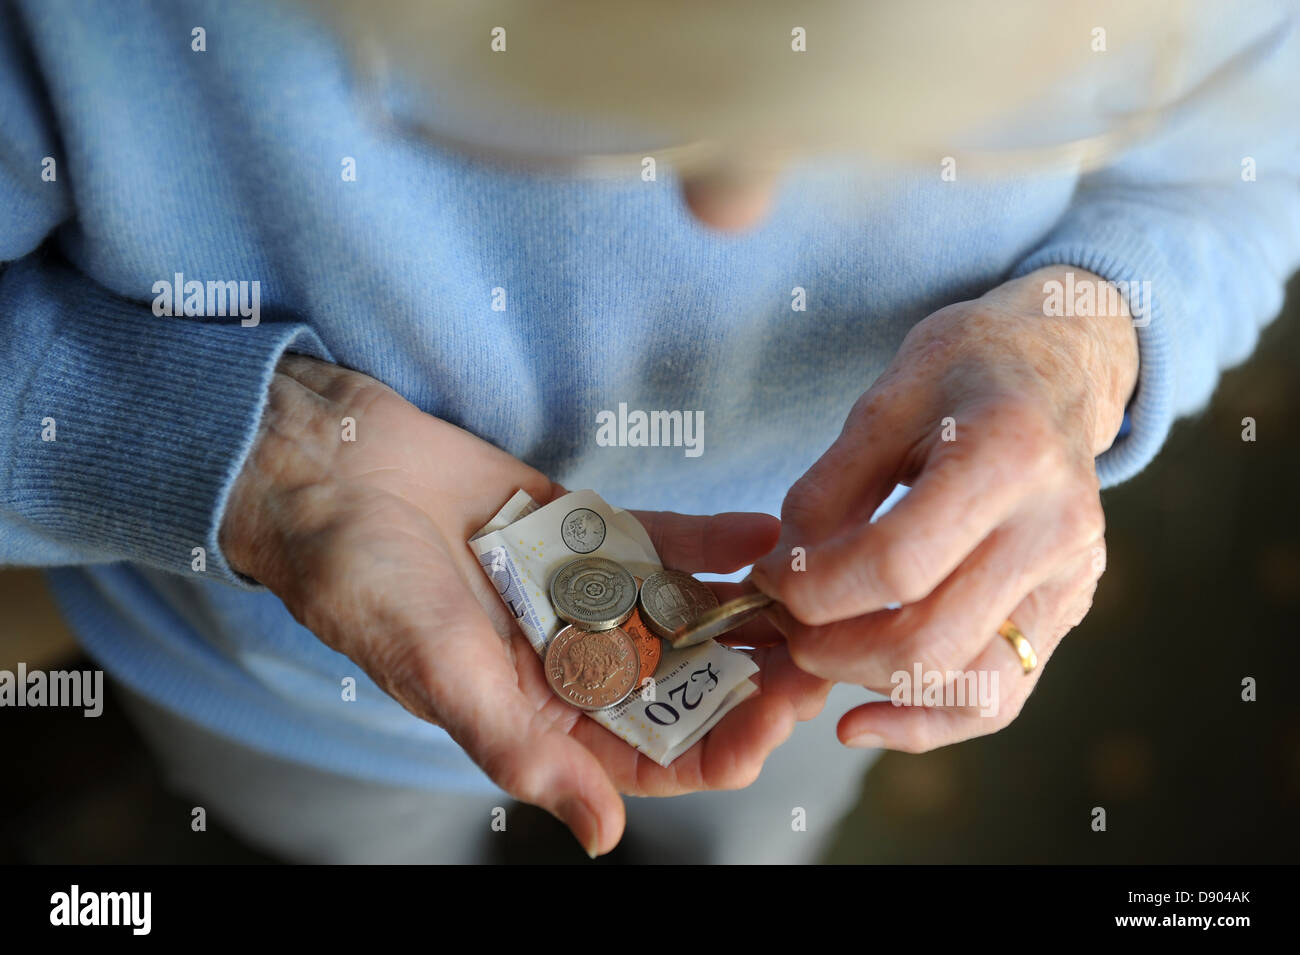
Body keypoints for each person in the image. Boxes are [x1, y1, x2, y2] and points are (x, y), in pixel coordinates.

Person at [1, 0, 1297, 863]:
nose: (732, 207)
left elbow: (1246, 169)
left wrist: (1079, 347)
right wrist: (261, 465)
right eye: (589, 117)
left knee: (748, 827)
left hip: (804, 688)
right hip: (276, 697)